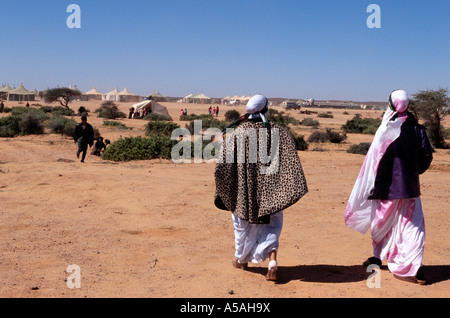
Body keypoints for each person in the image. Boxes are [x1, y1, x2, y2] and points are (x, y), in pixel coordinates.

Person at [214, 94, 308, 281]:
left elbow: (222, 165)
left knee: (242, 225)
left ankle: (241, 260)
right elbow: (289, 159)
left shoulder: (238, 133)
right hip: (271, 192)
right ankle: (272, 262)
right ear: (266, 109)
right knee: (272, 225)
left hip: (243, 193)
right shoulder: (278, 131)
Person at [345, 89, 433, 285]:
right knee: (413, 226)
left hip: (386, 188)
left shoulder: (385, 128)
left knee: (381, 223)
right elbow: (427, 155)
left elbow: (375, 158)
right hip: (410, 188)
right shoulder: (418, 129)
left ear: (391, 104)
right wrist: (414, 172)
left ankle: (377, 257)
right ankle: (416, 266)